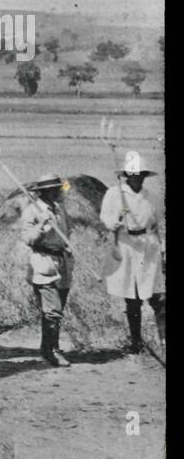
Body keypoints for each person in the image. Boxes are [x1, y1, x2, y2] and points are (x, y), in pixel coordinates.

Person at [99, 151, 165, 354]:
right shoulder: (114, 193)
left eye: (142, 174)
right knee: (133, 298)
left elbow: (158, 223)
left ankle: (163, 341)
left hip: (149, 248)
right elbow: (105, 218)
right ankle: (136, 341)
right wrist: (115, 221)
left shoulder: (151, 197)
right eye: (134, 174)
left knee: (159, 297)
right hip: (127, 246)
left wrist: (162, 249)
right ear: (127, 175)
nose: (138, 177)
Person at [20, 173, 74, 367]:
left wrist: (66, 246)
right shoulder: (32, 211)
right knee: (53, 311)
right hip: (42, 262)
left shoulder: (60, 209)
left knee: (56, 310)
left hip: (62, 262)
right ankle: (53, 352)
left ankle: (48, 347)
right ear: (42, 191)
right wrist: (41, 226)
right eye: (51, 189)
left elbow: (68, 231)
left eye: (57, 189)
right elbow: (27, 238)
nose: (55, 192)